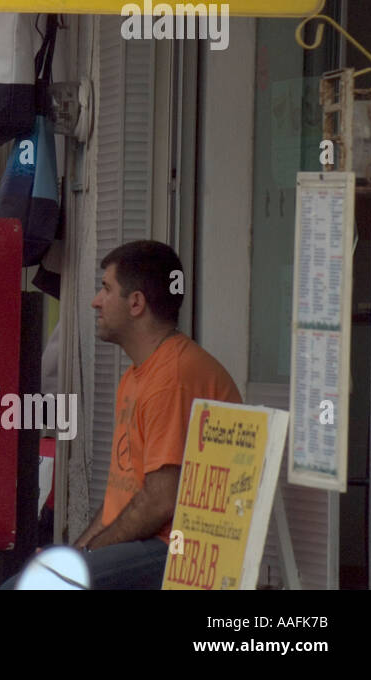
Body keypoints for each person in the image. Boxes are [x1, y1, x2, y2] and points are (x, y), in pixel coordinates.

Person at [73, 240, 241, 589]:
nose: (96, 301)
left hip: (180, 549)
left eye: (106, 289)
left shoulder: (173, 377)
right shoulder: (138, 374)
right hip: (151, 543)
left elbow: (161, 501)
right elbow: (122, 498)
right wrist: (79, 552)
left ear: (136, 303)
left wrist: (87, 557)